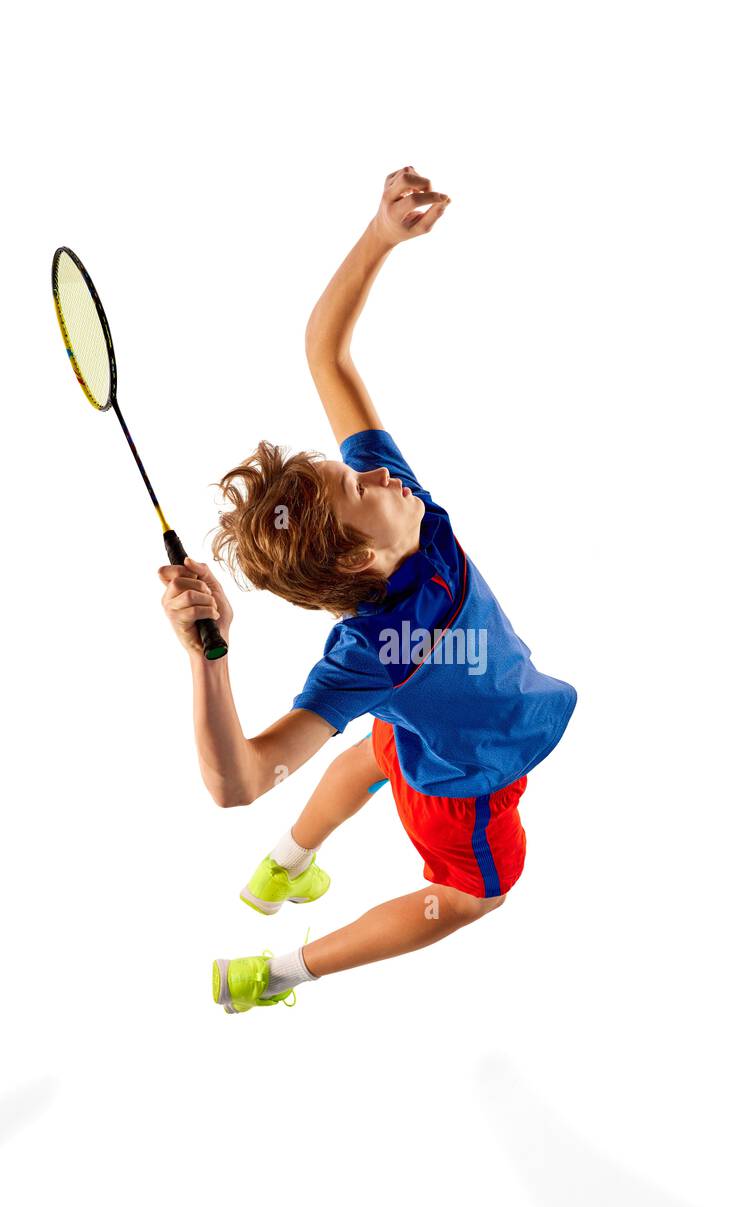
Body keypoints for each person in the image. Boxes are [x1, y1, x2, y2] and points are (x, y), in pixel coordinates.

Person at [158, 166, 577, 1015]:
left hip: (423, 725)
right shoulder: (366, 656)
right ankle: (269, 975)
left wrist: (378, 237)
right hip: (469, 776)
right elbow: (240, 780)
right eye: (359, 492)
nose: (376, 476)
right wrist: (209, 659)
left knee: (376, 751)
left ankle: (283, 865)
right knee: (469, 897)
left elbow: (324, 349)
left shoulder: (397, 498)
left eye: (356, 473)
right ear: (355, 565)